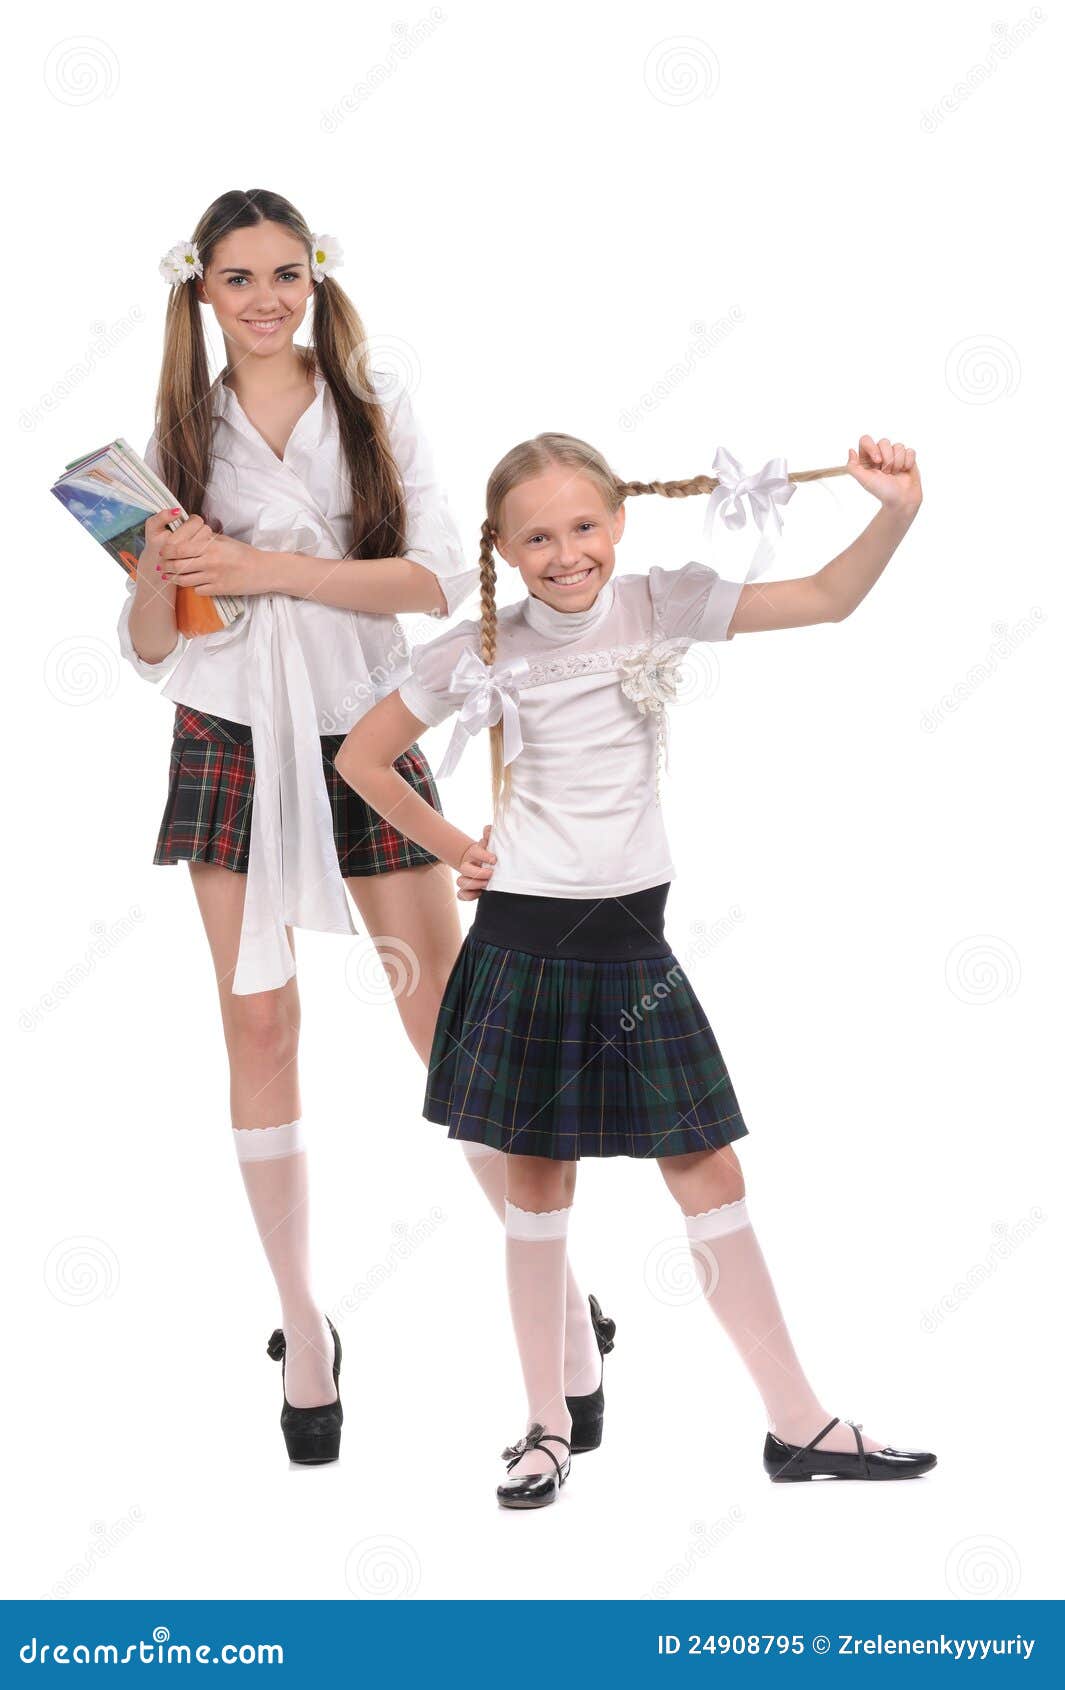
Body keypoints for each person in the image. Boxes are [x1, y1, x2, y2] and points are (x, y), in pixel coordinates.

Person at [335, 428, 938, 1507]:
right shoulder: (484, 644)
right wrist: (451, 843)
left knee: (709, 1168)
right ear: (505, 550)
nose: (566, 553)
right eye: (538, 537)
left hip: (634, 942)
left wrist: (893, 511)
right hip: (524, 940)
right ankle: (542, 1425)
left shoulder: (660, 605)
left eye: (582, 526)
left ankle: (799, 1423)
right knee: (535, 1183)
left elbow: (826, 600)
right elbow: (360, 755)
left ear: (617, 521)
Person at [119, 188, 605, 1467]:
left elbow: (438, 575)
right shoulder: (172, 433)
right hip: (227, 736)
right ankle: (303, 1325)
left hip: (362, 729)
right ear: (201, 294)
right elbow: (151, 649)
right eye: (239, 279)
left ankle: (556, 1295)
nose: (268, 298)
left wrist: (271, 568)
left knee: (443, 1023)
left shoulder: (370, 406)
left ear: (316, 281)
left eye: (288, 272)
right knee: (258, 1019)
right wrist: (166, 581)